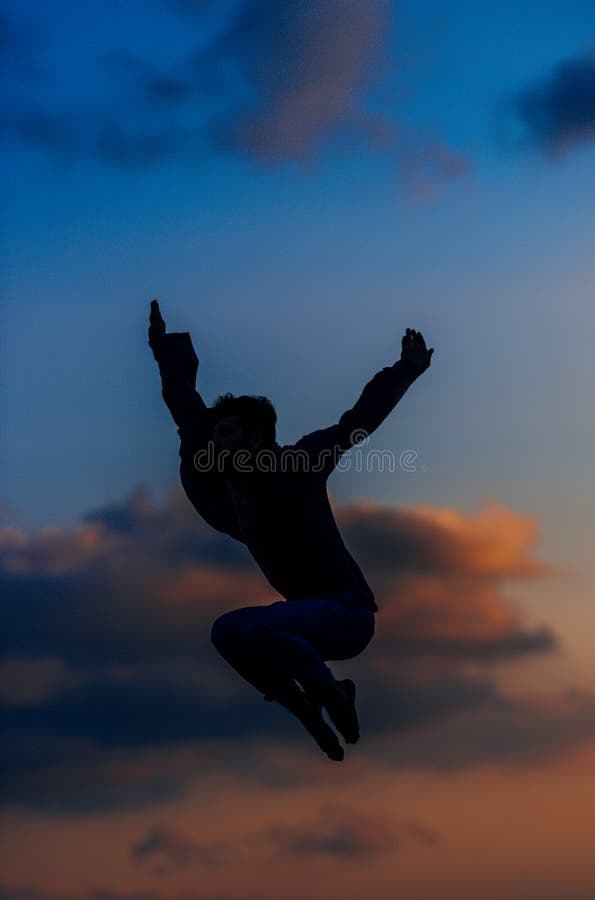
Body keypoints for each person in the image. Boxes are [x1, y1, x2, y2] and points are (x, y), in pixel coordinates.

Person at [148, 299, 434, 760]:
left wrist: (408, 368)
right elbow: (185, 409)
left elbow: (358, 422)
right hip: (300, 626)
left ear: (256, 440)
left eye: (226, 436)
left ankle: (335, 693)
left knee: (259, 630)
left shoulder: (296, 466)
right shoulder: (228, 498)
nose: (213, 446)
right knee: (226, 632)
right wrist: (165, 351)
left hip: (349, 616)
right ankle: (305, 711)